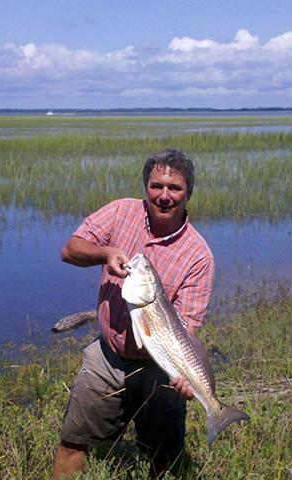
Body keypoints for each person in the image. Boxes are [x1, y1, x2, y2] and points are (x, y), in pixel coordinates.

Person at [52, 149, 215, 478]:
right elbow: (69, 250)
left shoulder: (200, 256)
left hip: (160, 367)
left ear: (188, 193)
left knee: (163, 456)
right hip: (107, 356)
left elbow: (187, 330)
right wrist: (105, 253)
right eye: (156, 186)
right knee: (73, 442)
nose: (164, 196)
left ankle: (213, 414)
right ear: (146, 186)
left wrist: (187, 378)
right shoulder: (120, 212)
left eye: (175, 188)